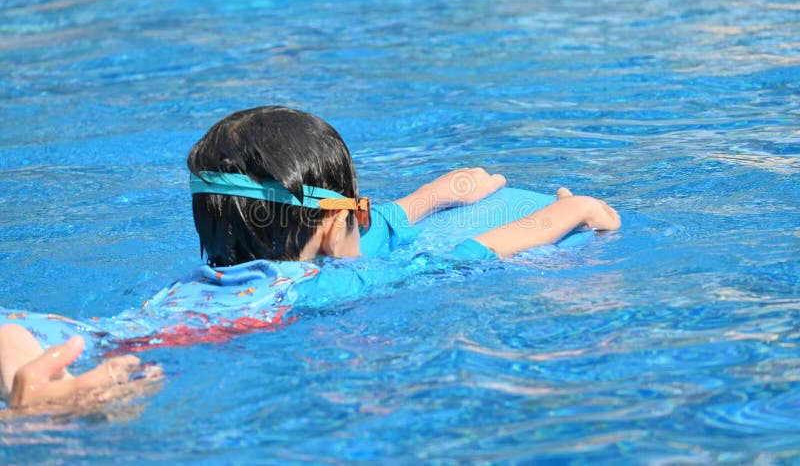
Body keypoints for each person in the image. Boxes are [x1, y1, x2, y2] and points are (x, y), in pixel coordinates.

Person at [0, 105, 620, 411]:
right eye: (361, 206)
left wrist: (433, 196)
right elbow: (462, 256)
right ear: (333, 223)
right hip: (173, 350)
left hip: (90, 334)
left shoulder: (215, 279)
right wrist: (569, 213)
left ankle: (37, 393)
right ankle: (42, 409)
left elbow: (355, 235)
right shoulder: (301, 293)